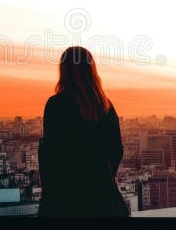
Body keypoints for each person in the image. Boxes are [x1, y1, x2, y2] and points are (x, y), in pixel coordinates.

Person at [38, 46, 128, 217]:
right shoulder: (105, 106)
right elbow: (117, 150)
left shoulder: (56, 105)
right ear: (91, 70)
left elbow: (51, 153)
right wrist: (103, 175)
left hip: (65, 198)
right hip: (102, 198)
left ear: (64, 71)